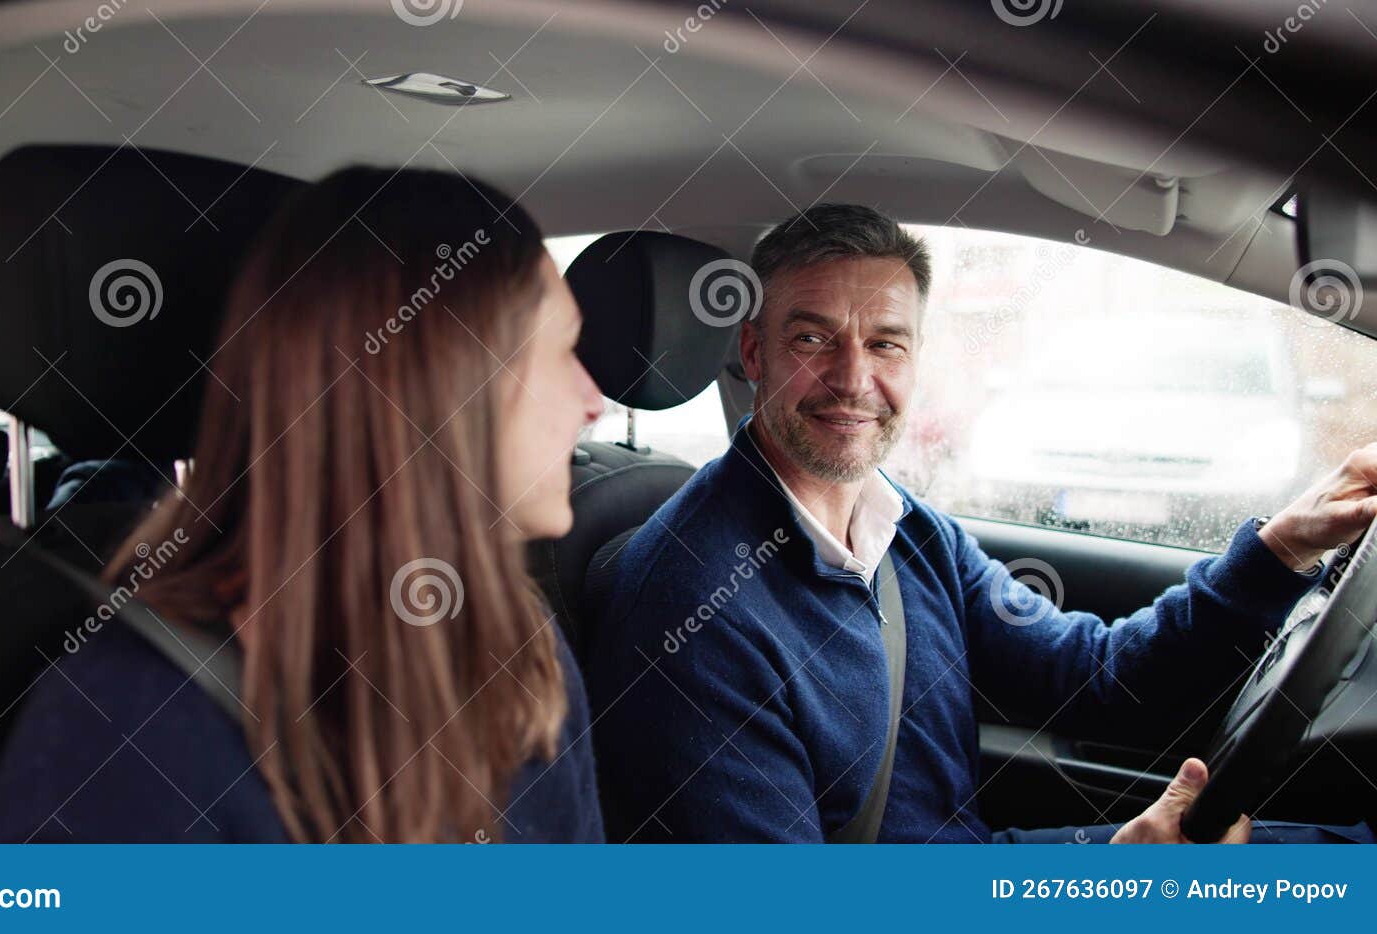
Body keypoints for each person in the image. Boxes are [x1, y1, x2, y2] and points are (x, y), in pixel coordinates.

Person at [585, 203, 1377, 844]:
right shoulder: (690, 606)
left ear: (917, 357)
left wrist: (1284, 546)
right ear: (753, 353)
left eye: (885, 342)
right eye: (812, 338)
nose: (854, 378)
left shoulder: (906, 528)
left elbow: (1097, 681)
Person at [0, 166, 606, 843]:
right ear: (451, 387)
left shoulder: (517, 642)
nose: (594, 402)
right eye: (566, 350)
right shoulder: (123, 729)